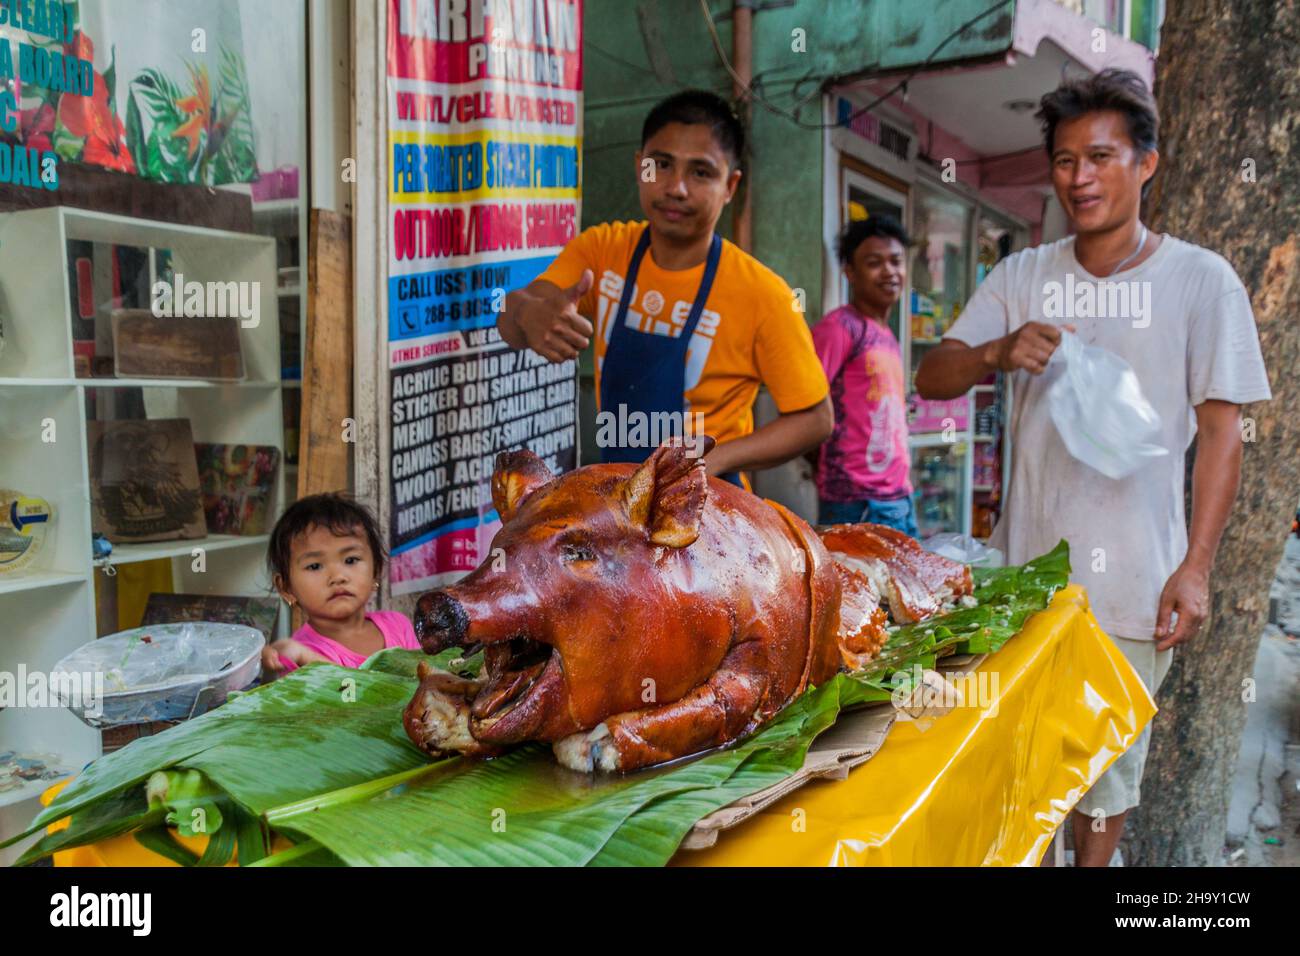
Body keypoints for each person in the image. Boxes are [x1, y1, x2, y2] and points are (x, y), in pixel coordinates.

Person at [916, 69, 1272, 865]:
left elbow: (1222, 432)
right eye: (1066, 160)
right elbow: (930, 375)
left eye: (1101, 157)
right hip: (1023, 585)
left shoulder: (1200, 281)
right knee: (1016, 772)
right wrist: (996, 352)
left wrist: (1197, 568)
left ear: (1147, 163)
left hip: (1131, 592)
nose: (1080, 178)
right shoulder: (1022, 276)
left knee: (1104, 784)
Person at [497, 90, 833, 487]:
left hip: (710, 506)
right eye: (661, 165)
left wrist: (716, 456)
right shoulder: (603, 251)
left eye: (701, 172)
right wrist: (524, 313)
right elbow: (514, 319)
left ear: (730, 185)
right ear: (641, 167)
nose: (676, 188)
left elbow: (816, 420)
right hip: (621, 493)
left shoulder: (765, 295)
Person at [813, 215, 916, 535]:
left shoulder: (886, 333)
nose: (889, 271)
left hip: (898, 497)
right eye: (874, 262)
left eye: (896, 261)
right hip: (856, 505)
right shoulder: (839, 328)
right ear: (850, 273)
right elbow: (804, 412)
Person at [260, 493, 420, 673]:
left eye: (351, 560)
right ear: (286, 587)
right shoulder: (297, 655)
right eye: (314, 566)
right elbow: (352, 698)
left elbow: (425, 684)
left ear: (376, 569)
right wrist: (304, 657)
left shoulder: (398, 625)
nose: (337, 576)